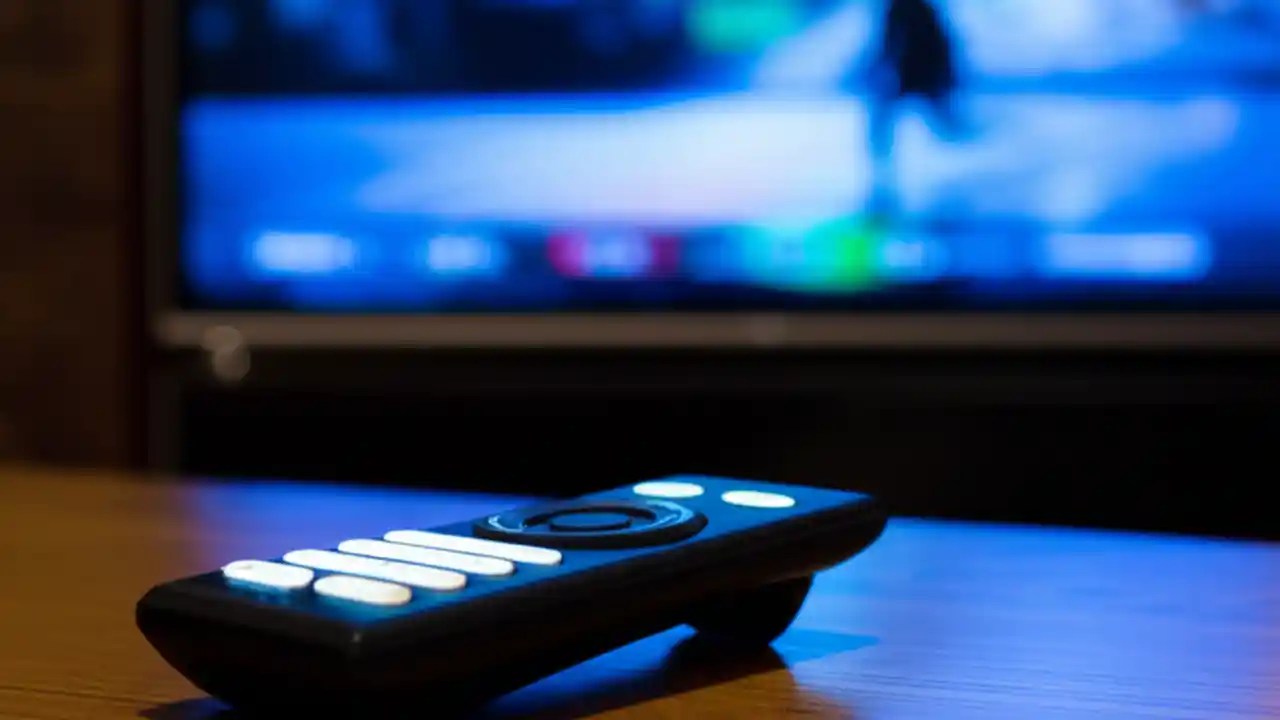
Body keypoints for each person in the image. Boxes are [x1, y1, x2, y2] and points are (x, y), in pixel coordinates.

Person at [867, 0, 963, 214]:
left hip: (920, 72)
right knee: (883, 122)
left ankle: (961, 151)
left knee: (944, 124)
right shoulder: (903, 9)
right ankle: (882, 168)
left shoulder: (913, 10)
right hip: (910, 74)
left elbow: (938, 45)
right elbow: (888, 45)